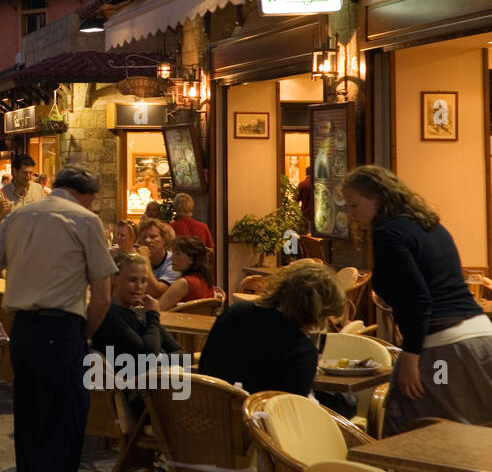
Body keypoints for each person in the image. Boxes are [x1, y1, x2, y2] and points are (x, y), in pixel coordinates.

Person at [0, 164, 116, 472]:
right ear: (87, 195)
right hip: (61, 333)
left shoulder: (16, 218)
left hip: (24, 334)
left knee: (31, 434)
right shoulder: (86, 221)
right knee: (64, 438)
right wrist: (81, 336)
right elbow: (102, 298)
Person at [343, 165, 492, 433]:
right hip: (481, 338)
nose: (351, 215)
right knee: (473, 435)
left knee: (414, 432)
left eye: (354, 205)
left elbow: (418, 299)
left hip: (443, 350)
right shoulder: (429, 225)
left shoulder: (387, 233)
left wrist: (411, 357)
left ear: (377, 197)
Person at [199, 261, 344, 396]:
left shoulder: (235, 313)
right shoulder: (301, 350)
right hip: (255, 421)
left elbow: (204, 366)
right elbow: (289, 409)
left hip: (205, 413)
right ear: (317, 311)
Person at [91, 252, 186, 419]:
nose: (139, 287)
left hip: (158, 392)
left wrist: (154, 363)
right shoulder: (109, 315)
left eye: (144, 281)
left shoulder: (140, 313)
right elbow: (148, 354)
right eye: (132, 280)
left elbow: (181, 354)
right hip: (136, 401)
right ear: (114, 278)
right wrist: (153, 317)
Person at [155, 236, 215, 312]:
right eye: (173, 253)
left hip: (178, 323)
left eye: (177, 254)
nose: (171, 258)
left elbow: (157, 309)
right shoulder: (205, 279)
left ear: (191, 259)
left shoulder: (184, 283)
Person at [137, 218, 179, 297]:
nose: (147, 240)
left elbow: (156, 292)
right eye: (144, 237)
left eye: (153, 237)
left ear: (164, 240)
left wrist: (145, 259)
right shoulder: (135, 260)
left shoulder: (174, 262)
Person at [297, 166, 314, 233]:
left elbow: (297, 200)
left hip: (305, 213)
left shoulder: (301, 184)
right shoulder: (316, 183)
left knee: (305, 235)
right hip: (315, 214)